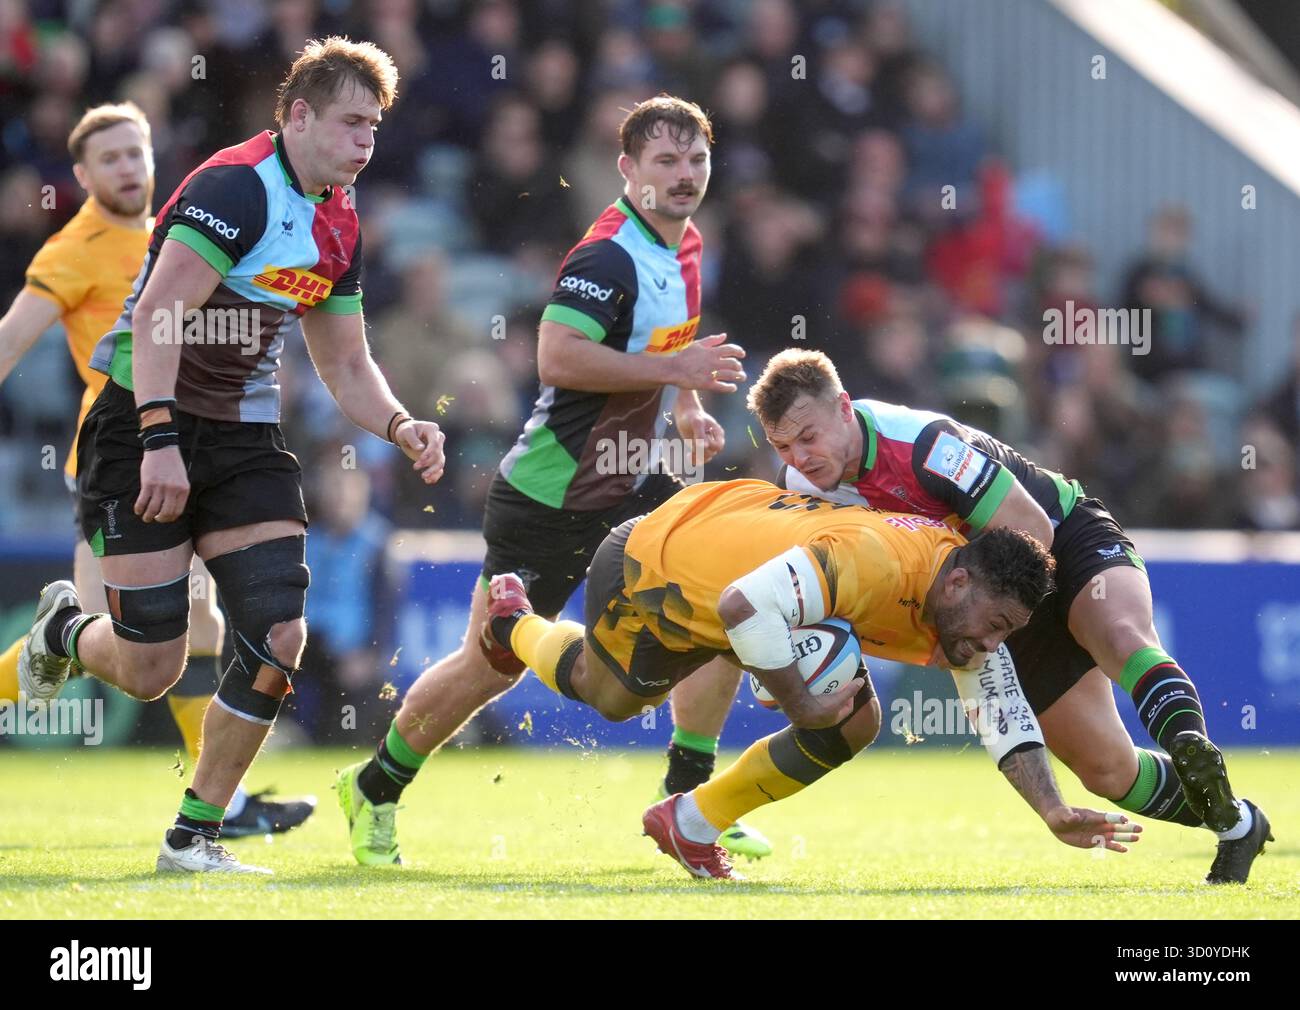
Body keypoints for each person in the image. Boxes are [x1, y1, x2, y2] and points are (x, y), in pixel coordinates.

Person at [17, 37, 445, 874]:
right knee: (150, 666)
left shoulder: (341, 218)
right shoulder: (233, 188)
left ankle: (194, 836)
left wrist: (399, 425)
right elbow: (158, 318)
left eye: (376, 126)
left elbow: (346, 362)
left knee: (279, 628)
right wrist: (161, 441)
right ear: (297, 115)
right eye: (351, 123)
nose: (366, 142)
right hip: (141, 422)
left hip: (245, 439)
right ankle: (68, 627)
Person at [335, 95, 771, 867]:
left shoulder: (690, 243)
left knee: (718, 604)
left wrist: (688, 404)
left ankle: (694, 802)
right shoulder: (606, 255)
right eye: (665, 162)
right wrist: (674, 372)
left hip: (632, 483)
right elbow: (557, 357)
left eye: (696, 159)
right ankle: (374, 787)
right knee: (488, 666)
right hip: (549, 494)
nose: (684, 175)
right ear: (627, 171)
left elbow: (670, 340)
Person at [748, 347, 1273, 884]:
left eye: (807, 437)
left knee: (1118, 636)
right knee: (1108, 772)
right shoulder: (804, 492)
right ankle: (1237, 822)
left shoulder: (926, 445)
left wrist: (961, 599)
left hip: (1063, 540)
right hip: (995, 602)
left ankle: (1189, 742)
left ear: (842, 408)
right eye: (782, 447)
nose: (799, 458)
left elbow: (1033, 531)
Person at [480, 478, 1140, 879]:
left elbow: (998, 710)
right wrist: (799, 701)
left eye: (1005, 635)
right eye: (993, 626)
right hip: (658, 564)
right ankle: (514, 624)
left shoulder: (960, 597)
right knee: (610, 696)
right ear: (960, 582)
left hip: (735, 578)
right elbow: (744, 606)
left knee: (851, 716)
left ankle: (691, 821)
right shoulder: (881, 564)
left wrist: (1052, 809)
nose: (991, 645)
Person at [0, 101, 310, 836]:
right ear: (80, 176)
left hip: (193, 451)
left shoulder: (185, 232)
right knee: (112, 638)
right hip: (119, 457)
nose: (127, 169)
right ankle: (224, 804)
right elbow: (11, 340)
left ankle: (223, 805)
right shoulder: (71, 250)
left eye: (135, 153)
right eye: (109, 160)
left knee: (193, 631)